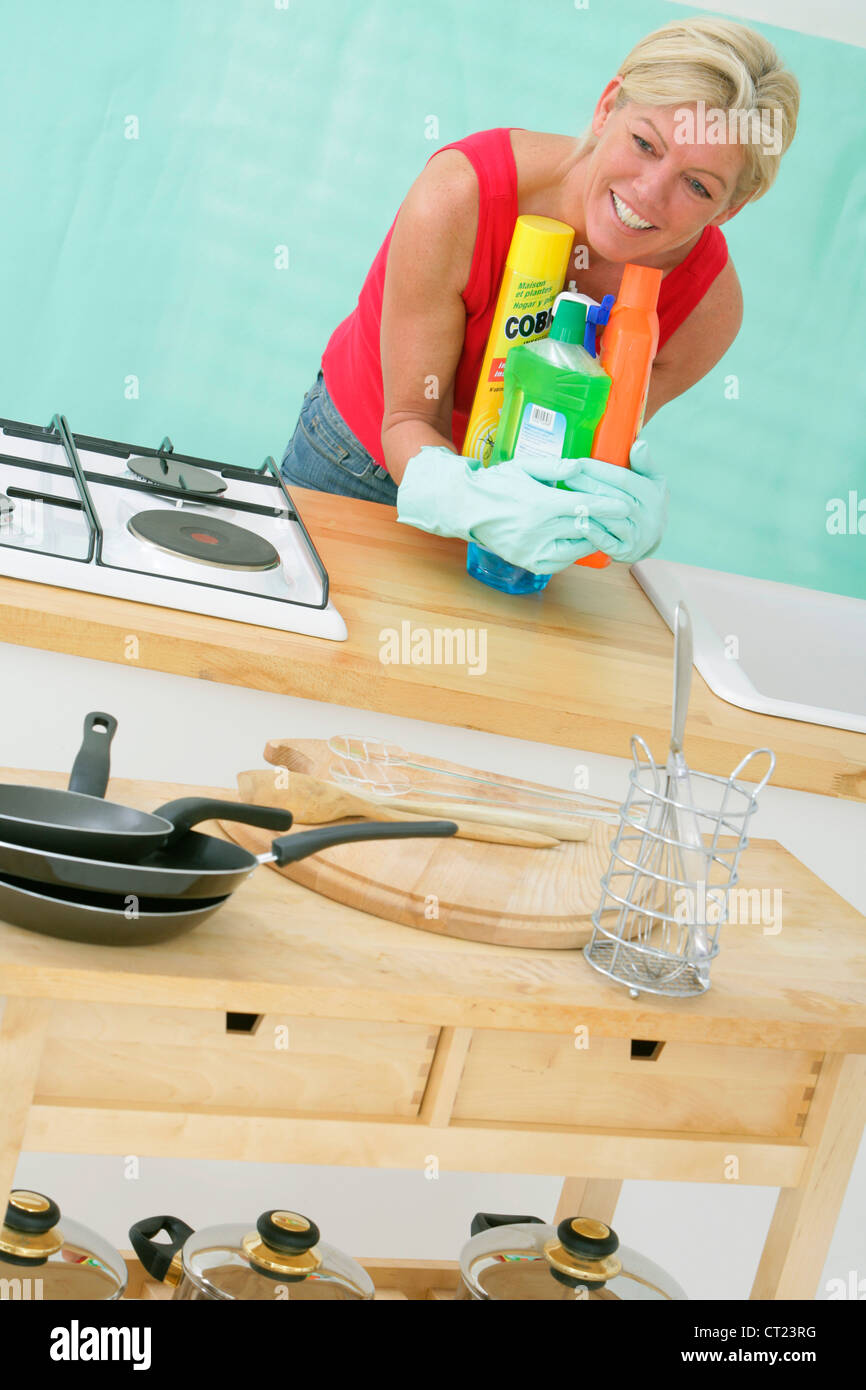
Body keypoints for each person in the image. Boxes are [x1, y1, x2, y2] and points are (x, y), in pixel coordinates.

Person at [280, 17, 799, 574]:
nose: (649, 194)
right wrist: (471, 501)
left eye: (697, 185)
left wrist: (607, 512)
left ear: (731, 208)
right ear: (607, 108)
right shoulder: (461, 195)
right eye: (645, 143)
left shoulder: (706, 310)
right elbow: (409, 418)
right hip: (357, 463)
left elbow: (589, 447)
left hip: (521, 515)